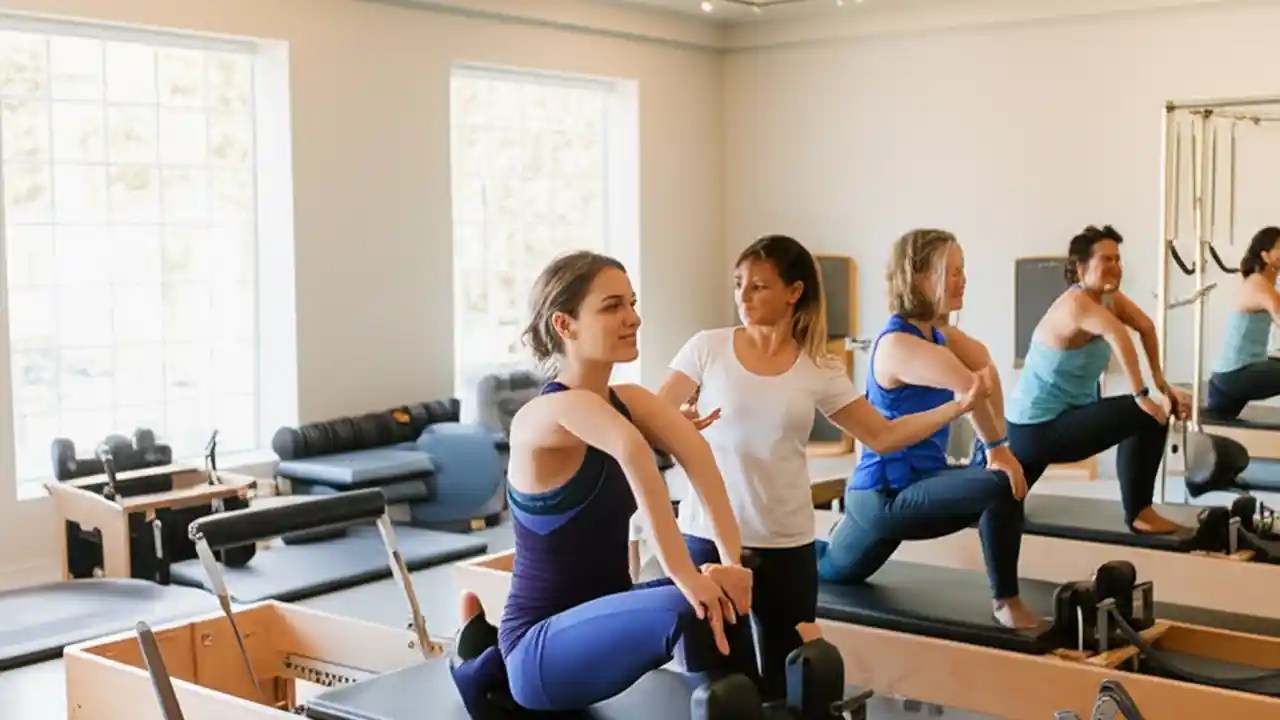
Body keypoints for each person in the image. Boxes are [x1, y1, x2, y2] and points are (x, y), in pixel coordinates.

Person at [659, 234, 992, 696]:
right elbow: (655, 417)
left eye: (759, 286)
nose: (743, 295)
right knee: (724, 690)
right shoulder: (706, 348)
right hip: (707, 538)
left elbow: (883, 435)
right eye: (739, 284)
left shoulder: (818, 366)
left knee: (791, 684)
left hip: (785, 542)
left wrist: (955, 409)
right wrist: (676, 423)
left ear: (794, 292)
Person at [448, 251, 757, 715]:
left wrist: (733, 564)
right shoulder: (546, 414)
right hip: (540, 652)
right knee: (687, 602)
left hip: (597, 620)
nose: (633, 317)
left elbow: (700, 460)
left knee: (723, 588)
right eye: (613, 306)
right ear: (565, 325)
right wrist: (687, 577)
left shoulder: (629, 400)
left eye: (632, 303)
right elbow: (635, 455)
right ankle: (484, 671)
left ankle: (754, 707)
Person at [814, 228, 1041, 629]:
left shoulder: (937, 336)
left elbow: (985, 369)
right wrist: (998, 451)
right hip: (885, 494)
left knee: (831, 565)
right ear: (919, 278)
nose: (963, 279)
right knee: (999, 487)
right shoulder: (900, 345)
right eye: (952, 271)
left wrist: (996, 447)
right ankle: (1006, 603)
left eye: (962, 270)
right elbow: (970, 388)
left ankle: (790, 549)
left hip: (916, 481)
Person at [1004, 224, 1188, 535]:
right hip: (1039, 427)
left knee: (1004, 505)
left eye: (1118, 259)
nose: (1116, 266)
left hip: (1051, 420)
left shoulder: (1107, 299)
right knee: (1144, 415)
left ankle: (996, 501)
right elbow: (1117, 334)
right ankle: (1140, 512)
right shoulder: (1076, 305)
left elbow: (1145, 327)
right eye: (1107, 259)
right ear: (1079, 267)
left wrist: (1161, 383)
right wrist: (1142, 394)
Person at [1206, 226, 1280, 420]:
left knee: (1214, 426)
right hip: (1236, 374)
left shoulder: (1262, 284)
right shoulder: (1259, 285)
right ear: (1266, 256)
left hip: (1231, 375)